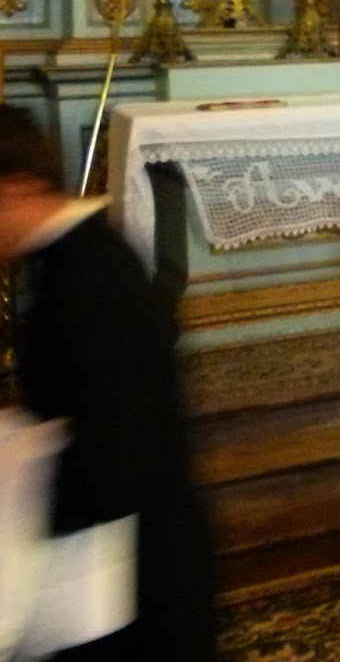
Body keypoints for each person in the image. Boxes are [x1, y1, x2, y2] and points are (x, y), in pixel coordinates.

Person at [0, 104, 218, 660]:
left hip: (135, 565)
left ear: (15, 189)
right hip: (122, 548)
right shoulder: (74, 256)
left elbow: (117, 443)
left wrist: (26, 505)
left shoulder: (89, 274)